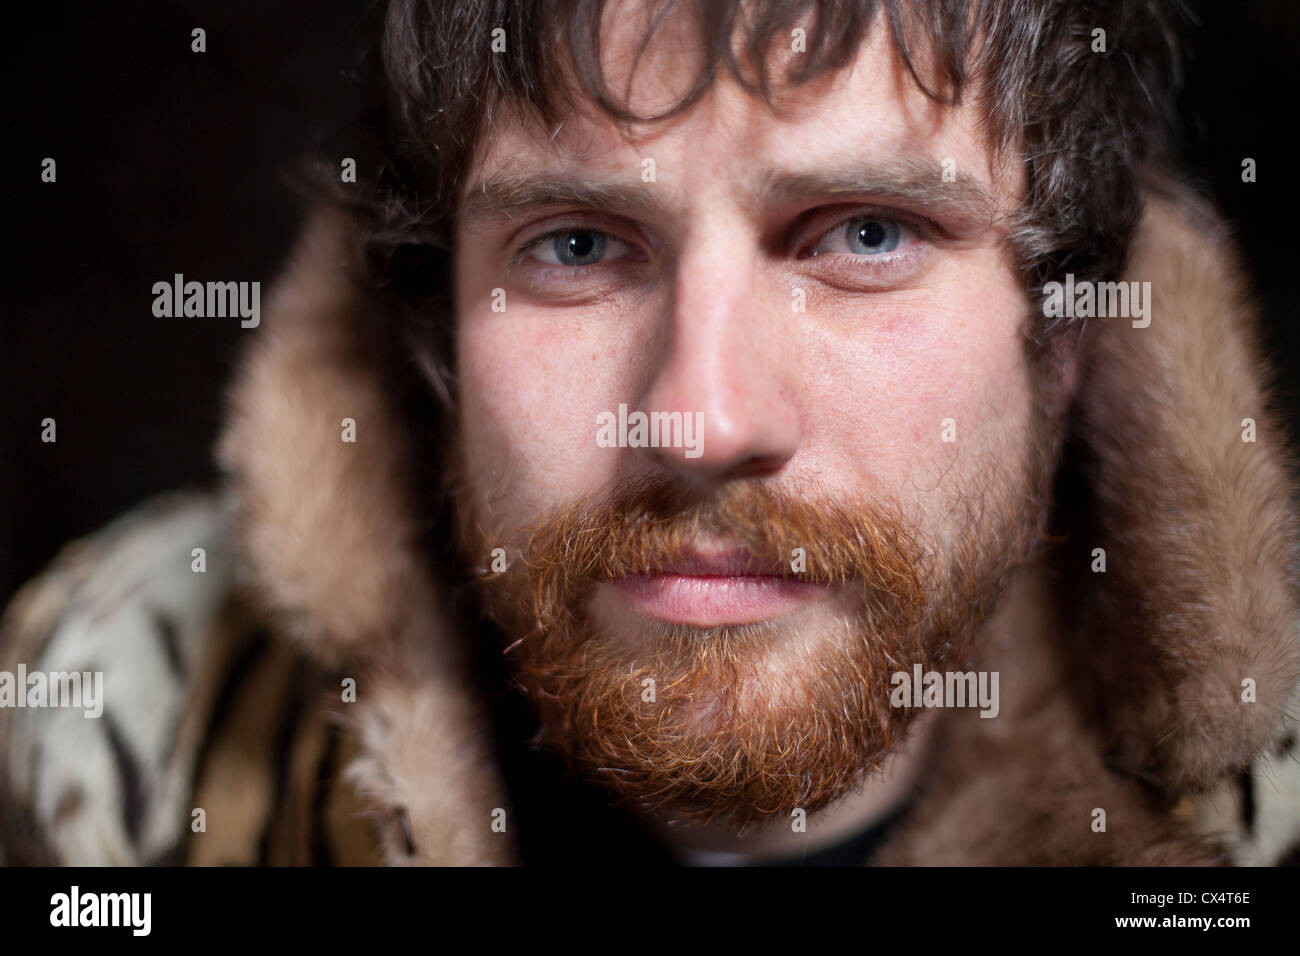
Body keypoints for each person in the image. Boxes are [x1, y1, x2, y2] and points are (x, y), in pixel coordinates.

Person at [3, 0, 1298, 866]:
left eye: (865, 234)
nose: (698, 420)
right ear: (438, 343)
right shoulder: (110, 719)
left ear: (1063, 342)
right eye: (576, 247)